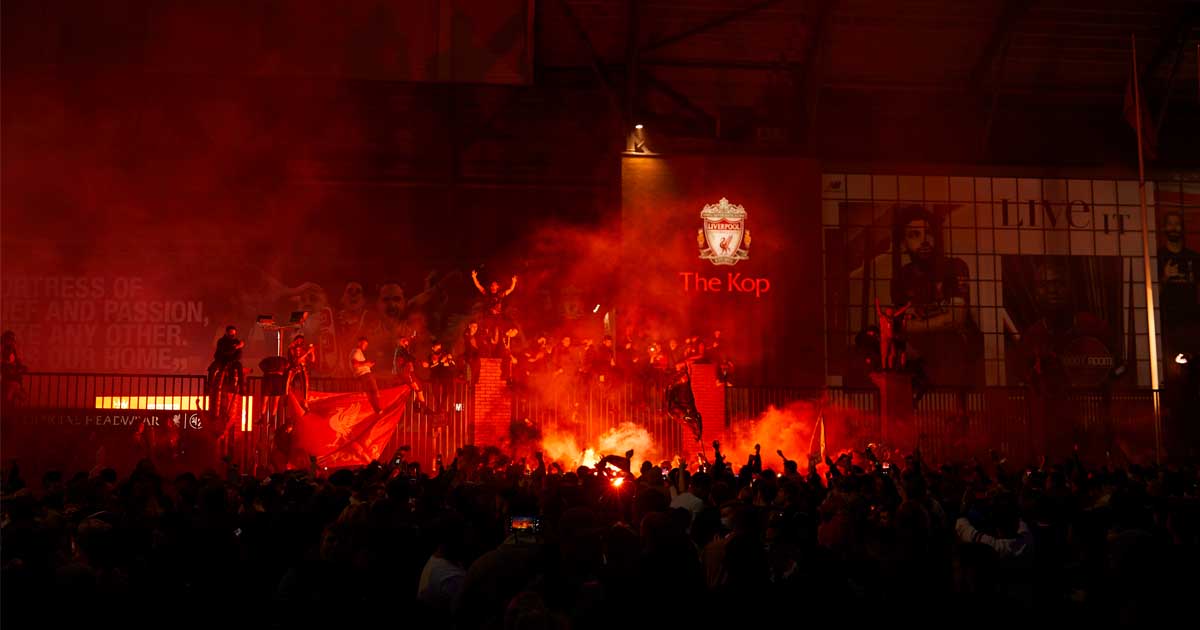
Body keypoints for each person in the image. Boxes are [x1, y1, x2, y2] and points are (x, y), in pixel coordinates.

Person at [889, 205, 982, 386]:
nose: (924, 240)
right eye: (914, 235)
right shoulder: (901, 278)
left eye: (928, 233)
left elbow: (956, 319)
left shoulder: (954, 267)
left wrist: (913, 325)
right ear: (903, 243)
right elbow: (901, 326)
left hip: (961, 363)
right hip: (926, 363)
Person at [207, 325, 245, 419]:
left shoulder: (237, 342)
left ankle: (241, 388)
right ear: (227, 333)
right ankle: (209, 386)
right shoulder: (221, 341)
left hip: (232, 361)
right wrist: (235, 348)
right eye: (231, 333)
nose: (232, 335)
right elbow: (224, 353)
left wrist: (234, 354)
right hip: (221, 360)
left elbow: (239, 355)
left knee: (239, 367)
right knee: (212, 369)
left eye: (234, 333)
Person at [471, 270, 517, 340]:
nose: (493, 286)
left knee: (502, 327)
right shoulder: (487, 294)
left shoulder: (500, 294)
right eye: (492, 285)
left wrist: (513, 282)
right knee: (486, 329)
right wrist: (474, 277)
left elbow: (510, 289)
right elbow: (478, 286)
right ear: (490, 287)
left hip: (498, 315)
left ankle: (507, 335)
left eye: (494, 285)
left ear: (497, 287)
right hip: (489, 315)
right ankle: (485, 337)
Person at [350, 336, 382, 415]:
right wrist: (366, 364)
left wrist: (368, 365)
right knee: (374, 392)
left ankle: (377, 409)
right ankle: (378, 409)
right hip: (365, 375)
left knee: (370, 393)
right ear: (359, 343)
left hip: (362, 375)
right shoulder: (356, 351)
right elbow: (355, 364)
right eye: (364, 344)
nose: (365, 346)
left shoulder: (357, 352)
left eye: (366, 345)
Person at [392, 336, 425, 410]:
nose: (407, 342)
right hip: (406, 373)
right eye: (405, 341)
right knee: (417, 387)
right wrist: (419, 362)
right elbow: (408, 357)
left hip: (408, 372)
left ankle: (417, 404)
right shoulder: (400, 349)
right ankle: (423, 407)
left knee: (419, 386)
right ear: (401, 342)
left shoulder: (403, 350)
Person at [287, 334, 315, 412]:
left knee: (306, 383)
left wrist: (312, 352)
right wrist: (307, 353)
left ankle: (305, 402)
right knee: (289, 384)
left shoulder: (303, 349)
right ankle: (288, 399)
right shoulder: (291, 349)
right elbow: (297, 361)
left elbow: (312, 360)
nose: (300, 341)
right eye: (298, 340)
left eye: (301, 340)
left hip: (302, 368)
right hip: (294, 368)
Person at [1, 330, 27, 406]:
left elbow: (18, 363)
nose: (11, 342)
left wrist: (21, 367)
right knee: (12, 389)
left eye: (13, 340)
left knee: (14, 391)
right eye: (10, 339)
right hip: (6, 379)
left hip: (12, 379)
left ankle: (8, 404)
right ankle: (8, 405)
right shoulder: (2, 350)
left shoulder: (13, 352)